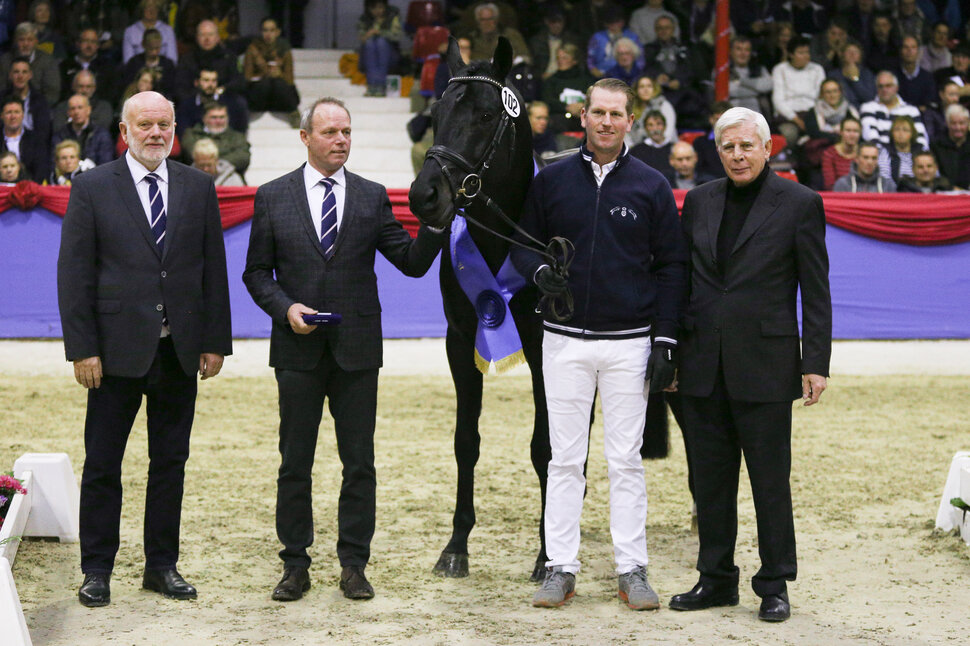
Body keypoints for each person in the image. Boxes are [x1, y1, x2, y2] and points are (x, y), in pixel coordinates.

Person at [242, 97, 447, 603]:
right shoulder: (272, 195)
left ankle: (354, 564)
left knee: (359, 464)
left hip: (357, 351)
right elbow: (256, 273)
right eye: (330, 132)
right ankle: (295, 564)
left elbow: (411, 262)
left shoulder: (372, 196)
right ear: (305, 137)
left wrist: (437, 224)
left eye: (347, 132)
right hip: (297, 351)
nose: (341, 140)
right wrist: (286, 308)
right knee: (294, 463)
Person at [511, 77, 687, 611]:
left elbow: (672, 266)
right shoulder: (551, 179)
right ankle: (560, 567)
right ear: (582, 115)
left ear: (630, 121)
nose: (607, 122)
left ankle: (632, 569)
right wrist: (538, 272)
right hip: (563, 341)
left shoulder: (652, 185)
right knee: (564, 459)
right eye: (599, 113)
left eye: (617, 114)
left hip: (630, 343)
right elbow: (522, 244)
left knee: (625, 460)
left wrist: (665, 340)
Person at [57, 90, 232, 608]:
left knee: (170, 463)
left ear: (175, 129)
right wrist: (83, 348)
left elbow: (213, 270)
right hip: (113, 355)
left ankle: (161, 566)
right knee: (103, 464)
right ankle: (96, 570)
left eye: (164, 124)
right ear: (125, 130)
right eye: (145, 124)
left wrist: (214, 341)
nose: (156, 133)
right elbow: (74, 275)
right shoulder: (91, 187)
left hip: (179, 351)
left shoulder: (198, 186)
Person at [670, 106, 832, 623]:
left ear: (767, 148)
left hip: (766, 365)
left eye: (746, 146)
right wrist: (673, 352)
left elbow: (816, 290)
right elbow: (684, 282)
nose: (738, 155)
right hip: (702, 365)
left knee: (770, 483)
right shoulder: (699, 201)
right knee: (710, 482)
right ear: (717, 152)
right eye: (728, 147)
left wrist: (815, 362)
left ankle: (774, 584)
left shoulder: (801, 203)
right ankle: (716, 579)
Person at [175, 20, 248, 133]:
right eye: (203, 35)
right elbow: (180, 87)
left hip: (223, 99)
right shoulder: (187, 59)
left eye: (210, 34)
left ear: (218, 37)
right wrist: (200, 93)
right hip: (195, 101)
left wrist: (222, 89)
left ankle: (236, 139)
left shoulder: (229, 57)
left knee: (240, 103)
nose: (207, 38)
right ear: (197, 38)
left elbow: (239, 81)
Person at [771, 35, 826, 147]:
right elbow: (778, 100)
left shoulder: (817, 69)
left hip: (812, 113)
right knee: (789, 134)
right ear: (791, 54)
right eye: (801, 53)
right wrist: (796, 119)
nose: (806, 56)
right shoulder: (780, 69)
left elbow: (821, 96)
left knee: (822, 133)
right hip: (788, 116)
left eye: (807, 52)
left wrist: (812, 118)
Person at [244, 17, 300, 118]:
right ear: (261, 32)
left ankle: (293, 114)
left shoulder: (284, 48)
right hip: (259, 93)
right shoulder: (253, 48)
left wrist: (279, 74)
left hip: (278, 95)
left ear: (278, 32)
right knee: (265, 84)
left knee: (278, 83)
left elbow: (290, 80)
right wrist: (264, 72)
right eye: (265, 30)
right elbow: (247, 77)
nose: (268, 34)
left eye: (272, 30)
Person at [860, 70, 928, 147]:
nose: (884, 90)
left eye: (888, 86)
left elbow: (921, 139)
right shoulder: (868, 107)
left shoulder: (911, 110)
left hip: (908, 152)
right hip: (878, 153)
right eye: (880, 86)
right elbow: (870, 137)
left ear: (896, 87)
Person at [181, 102, 250, 175]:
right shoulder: (191, 135)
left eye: (222, 117)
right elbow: (191, 154)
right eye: (214, 117)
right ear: (204, 118)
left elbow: (243, 157)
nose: (218, 121)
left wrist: (211, 161)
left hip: (229, 178)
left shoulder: (237, 137)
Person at [0, 21, 60, 104]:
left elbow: (52, 93)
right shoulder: (4, 60)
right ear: (15, 41)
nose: (26, 44)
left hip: (40, 106)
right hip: (10, 106)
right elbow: (1, 89)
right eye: (21, 40)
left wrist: (37, 107)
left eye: (30, 40)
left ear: (36, 41)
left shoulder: (48, 60)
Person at [541, 43, 593, 134]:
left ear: (574, 60)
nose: (560, 61)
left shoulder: (586, 80)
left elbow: (593, 99)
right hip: (559, 123)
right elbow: (547, 101)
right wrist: (567, 107)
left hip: (583, 120)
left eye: (564, 58)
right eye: (558, 58)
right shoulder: (551, 81)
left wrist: (582, 106)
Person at [51, 94, 114, 166]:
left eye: (80, 107)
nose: (76, 112)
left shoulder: (101, 135)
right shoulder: (60, 135)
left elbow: (106, 162)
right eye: (73, 108)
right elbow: (54, 162)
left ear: (88, 110)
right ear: (68, 112)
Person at [357, 0, 402, 97]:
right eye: (374, 8)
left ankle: (381, 85)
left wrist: (380, 32)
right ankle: (372, 85)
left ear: (385, 7)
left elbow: (397, 36)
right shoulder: (364, 19)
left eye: (380, 7)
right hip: (369, 54)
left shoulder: (392, 16)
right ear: (369, 9)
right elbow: (362, 38)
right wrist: (369, 34)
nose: (377, 11)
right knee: (369, 44)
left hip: (390, 55)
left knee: (381, 43)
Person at [0, 96, 48, 182]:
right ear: (1, 116)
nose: (13, 116)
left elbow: (41, 169)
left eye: (17, 112)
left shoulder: (36, 140)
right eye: (9, 112)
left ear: (23, 115)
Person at [122, 28, 177, 100]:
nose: (154, 52)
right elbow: (129, 86)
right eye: (151, 48)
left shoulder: (167, 64)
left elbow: (171, 89)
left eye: (157, 48)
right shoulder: (134, 63)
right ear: (143, 45)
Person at [587, 6, 642, 78]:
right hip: (602, 74)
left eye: (617, 22)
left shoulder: (633, 37)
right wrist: (593, 70)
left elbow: (640, 59)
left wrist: (636, 73)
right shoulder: (597, 37)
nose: (614, 26)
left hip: (628, 74)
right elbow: (590, 58)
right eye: (610, 23)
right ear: (605, 24)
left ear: (622, 22)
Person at [725, 36, 773, 114]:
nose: (743, 53)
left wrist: (740, 81)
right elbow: (729, 90)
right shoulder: (724, 70)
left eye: (747, 50)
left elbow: (768, 85)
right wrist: (758, 90)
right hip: (732, 114)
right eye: (739, 49)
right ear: (731, 52)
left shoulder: (759, 69)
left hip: (758, 114)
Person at [123, 0, 178, 64]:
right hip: (137, 68)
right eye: (148, 7)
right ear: (142, 10)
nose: (151, 11)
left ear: (158, 10)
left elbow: (172, 60)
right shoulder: (130, 31)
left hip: (163, 68)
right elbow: (128, 62)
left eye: (155, 8)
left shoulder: (168, 30)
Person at [930, 103, 970, 189]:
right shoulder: (936, 145)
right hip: (945, 192)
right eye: (953, 123)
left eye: (962, 123)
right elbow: (934, 174)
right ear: (947, 123)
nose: (958, 127)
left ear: (968, 123)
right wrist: (951, 187)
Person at [628, 75, 676, 146]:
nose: (646, 90)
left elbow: (668, 133)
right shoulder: (632, 109)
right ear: (636, 90)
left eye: (649, 86)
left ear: (655, 89)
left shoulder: (663, 105)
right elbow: (628, 133)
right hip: (637, 147)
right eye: (642, 87)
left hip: (664, 146)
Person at [832, 140, 896, 191]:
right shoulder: (843, 184)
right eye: (865, 157)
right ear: (857, 159)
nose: (870, 162)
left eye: (874, 158)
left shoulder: (888, 186)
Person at [895, 35, 937, 110]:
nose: (909, 50)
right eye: (906, 47)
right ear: (900, 51)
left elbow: (929, 104)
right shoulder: (892, 76)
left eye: (913, 47)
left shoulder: (928, 78)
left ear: (918, 51)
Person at [830, 40, 876, 108]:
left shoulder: (867, 74)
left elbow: (869, 98)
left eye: (856, 52)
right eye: (849, 51)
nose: (852, 54)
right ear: (842, 55)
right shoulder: (834, 75)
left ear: (860, 56)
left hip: (863, 110)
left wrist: (854, 79)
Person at [820, 116, 862, 190]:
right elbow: (830, 184)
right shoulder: (830, 154)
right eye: (848, 131)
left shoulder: (864, 153)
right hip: (838, 193)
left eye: (855, 131)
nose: (852, 135)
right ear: (841, 132)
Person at [877, 115, 923, 181]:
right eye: (897, 130)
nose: (901, 133)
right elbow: (883, 178)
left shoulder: (920, 151)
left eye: (905, 130)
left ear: (912, 133)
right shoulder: (885, 151)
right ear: (892, 133)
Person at [630, 109, 675, 175]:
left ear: (665, 126)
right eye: (650, 125)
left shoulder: (674, 149)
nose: (655, 129)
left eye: (658, 124)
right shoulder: (636, 151)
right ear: (645, 128)